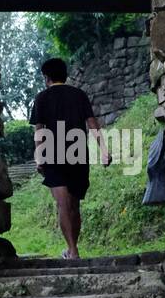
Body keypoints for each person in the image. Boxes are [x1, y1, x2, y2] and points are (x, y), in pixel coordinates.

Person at [30, 58, 111, 259]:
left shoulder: (41, 98)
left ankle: (72, 250)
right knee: (74, 206)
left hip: (53, 155)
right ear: (65, 75)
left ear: (46, 77)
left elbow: (39, 131)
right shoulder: (79, 95)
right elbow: (92, 123)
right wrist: (104, 150)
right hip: (77, 155)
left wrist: (39, 158)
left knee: (64, 204)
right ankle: (73, 249)